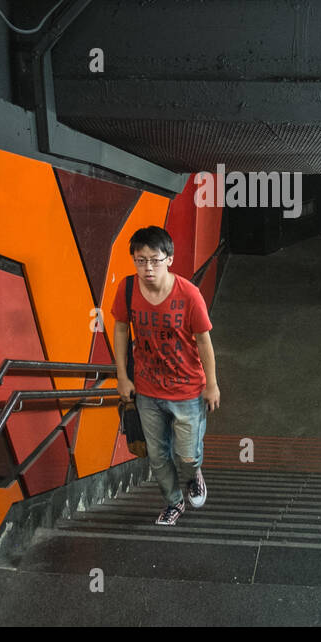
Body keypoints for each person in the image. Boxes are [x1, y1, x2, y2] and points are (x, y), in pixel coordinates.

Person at [111, 225, 220, 525]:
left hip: (187, 390)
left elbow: (203, 340)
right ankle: (174, 502)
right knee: (157, 458)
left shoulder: (189, 295)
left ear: (169, 259)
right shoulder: (127, 288)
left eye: (155, 260)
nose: (148, 267)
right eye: (140, 259)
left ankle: (193, 473)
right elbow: (121, 327)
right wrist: (122, 375)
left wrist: (212, 384)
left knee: (187, 456)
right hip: (147, 390)